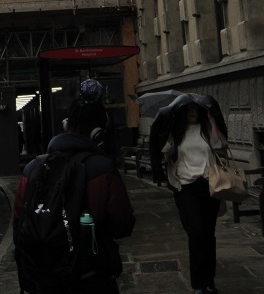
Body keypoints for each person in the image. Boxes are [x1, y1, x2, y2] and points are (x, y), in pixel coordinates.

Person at [13, 80, 135, 294]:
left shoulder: (33, 169)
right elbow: (122, 224)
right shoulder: (102, 170)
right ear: (99, 133)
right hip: (91, 278)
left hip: (45, 280)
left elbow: (19, 224)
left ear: (66, 125)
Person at [151, 100, 227, 294]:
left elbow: (220, 148)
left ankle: (209, 281)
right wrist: (168, 128)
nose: (192, 112)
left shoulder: (206, 130)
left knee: (208, 235)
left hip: (208, 186)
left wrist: (212, 123)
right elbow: (164, 151)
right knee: (196, 232)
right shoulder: (177, 132)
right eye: (188, 109)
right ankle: (198, 284)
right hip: (186, 187)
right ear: (183, 113)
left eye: (195, 109)